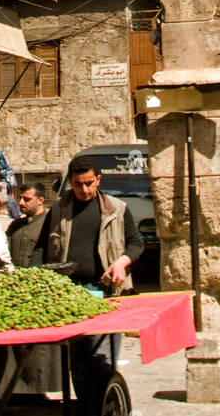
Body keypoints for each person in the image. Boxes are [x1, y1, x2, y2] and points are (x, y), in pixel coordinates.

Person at [31, 156, 143, 400]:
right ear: (70, 182)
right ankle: (86, 415)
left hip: (106, 293)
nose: (84, 189)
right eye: (78, 184)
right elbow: (40, 248)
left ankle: (106, 414)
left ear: (98, 180)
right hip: (70, 295)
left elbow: (136, 243)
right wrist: (35, 277)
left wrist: (122, 263)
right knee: (79, 361)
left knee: (101, 358)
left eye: (89, 183)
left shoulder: (117, 208)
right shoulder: (58, 209)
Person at [6, 185, 47, 267]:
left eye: (26, 199)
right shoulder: (15, 225)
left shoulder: (49, 224)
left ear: (40, 200)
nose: (20, 202)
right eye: (20, 198)